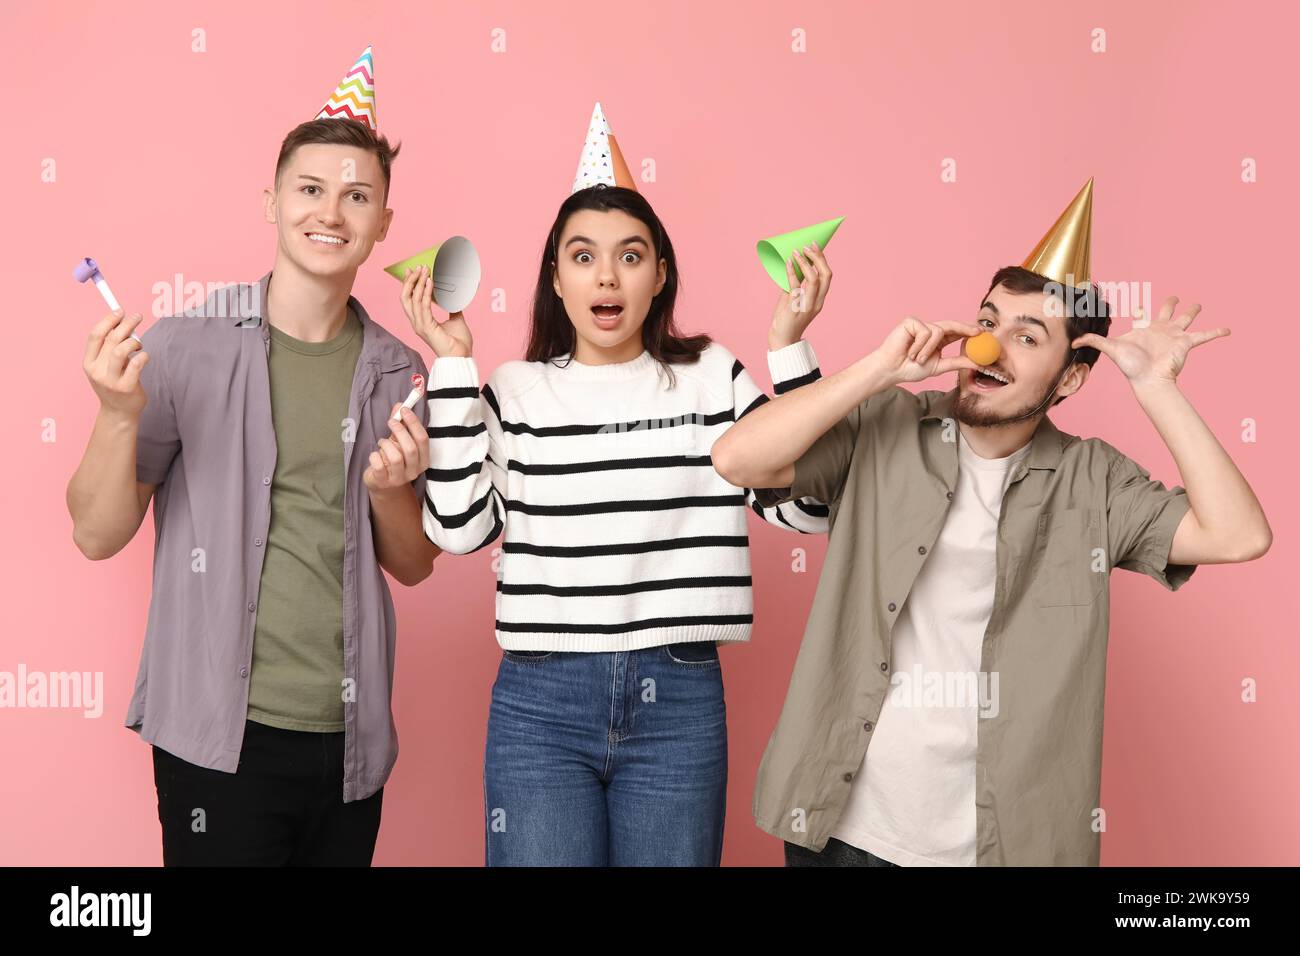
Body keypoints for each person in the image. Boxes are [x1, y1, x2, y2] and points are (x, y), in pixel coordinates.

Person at [712, 179, 1272, 866]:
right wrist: (879, 370)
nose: (988, 347)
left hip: (1003, 848)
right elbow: (739, 458)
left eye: (1026, 335)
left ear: (1068, 379)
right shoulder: (887, 425)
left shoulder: (1095, 481)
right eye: (987, 321)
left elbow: (1239, 535)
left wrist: (1157, 388)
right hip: (843, 832)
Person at [66, 48, 439, 865]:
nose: (330, 212)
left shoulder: (402, 375)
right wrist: (116, 414)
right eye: (310, 189)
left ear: (383, 223)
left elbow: (413, 566)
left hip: (349, 745)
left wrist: (387, 492)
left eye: (356, 196)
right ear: (271, 201)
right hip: (215, 742)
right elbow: (96, 534)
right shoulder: (184, 347)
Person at [406, 177, 833, 865]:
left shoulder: (711, 378)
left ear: (660, 274)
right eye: (583, 256)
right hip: (541, 703)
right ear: (556, 276)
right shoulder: (515, 391)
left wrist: (789, 348)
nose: (607, 275)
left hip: (680, 701)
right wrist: (453, 364)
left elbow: (812, 508)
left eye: (631, 256)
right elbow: (457, 531)